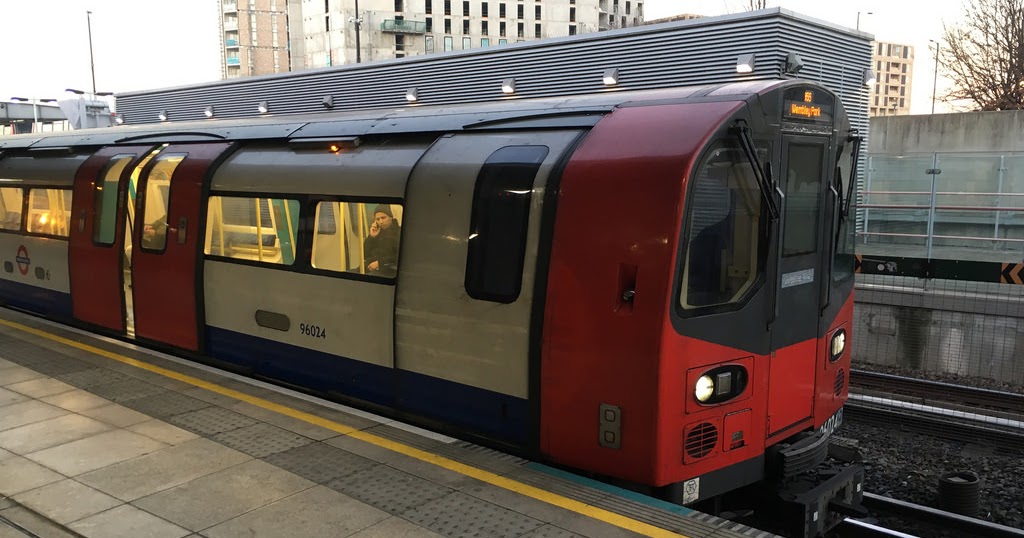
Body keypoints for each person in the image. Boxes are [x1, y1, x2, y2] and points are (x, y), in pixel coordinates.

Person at [363, 204, 401, 275]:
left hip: (387, 269)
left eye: (383, 218)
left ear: (391, 217)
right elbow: (364, 254)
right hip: (369, 266)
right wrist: (371, 237)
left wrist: (379, 263)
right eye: (377, 219)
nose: (380, 222)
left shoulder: (398, 232)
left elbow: (397, 256)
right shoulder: (377, 232)